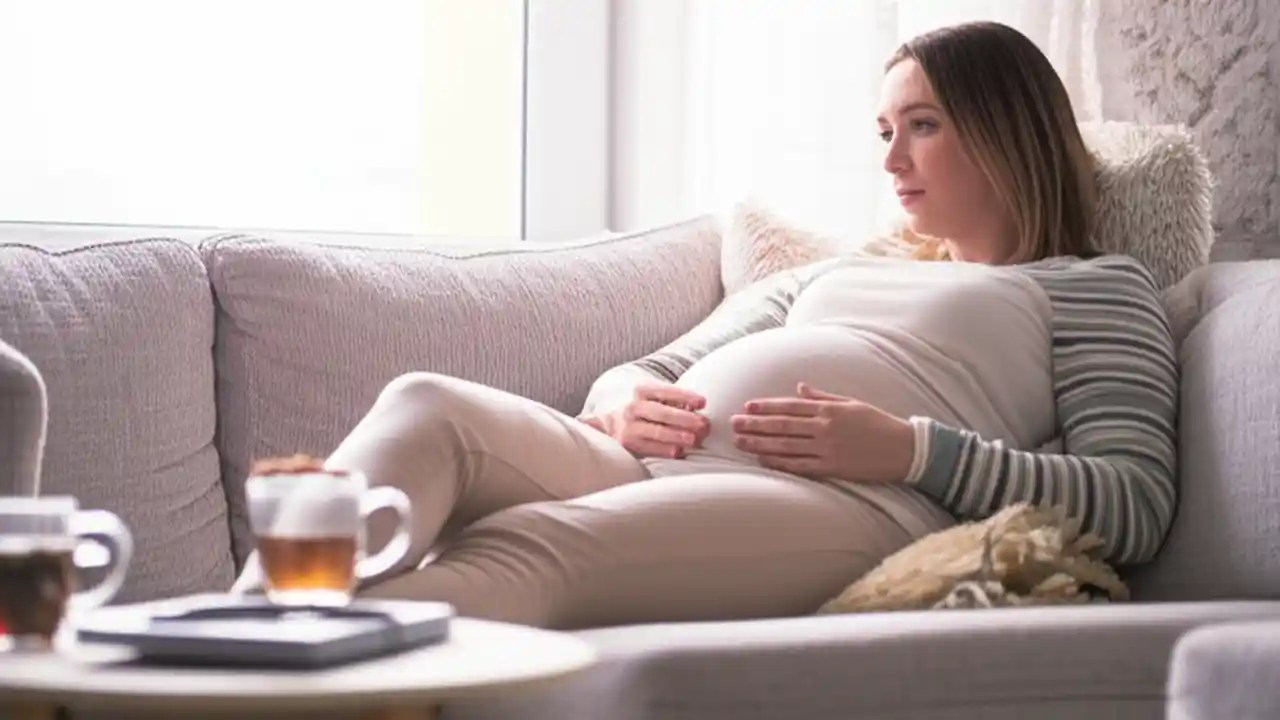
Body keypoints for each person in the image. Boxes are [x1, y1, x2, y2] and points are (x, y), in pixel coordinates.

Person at [233, 21, 1177, 629]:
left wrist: (909, 452)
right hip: (652, 464)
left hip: (851, 508)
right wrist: (624, 401)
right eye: (883, 132)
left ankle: (252, 680)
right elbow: (650, 364)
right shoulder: (844, 269)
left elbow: (1132, 502)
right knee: (428, 404)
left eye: (921, 125)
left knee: (528, 551)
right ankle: (217, 644)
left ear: (1008, 126)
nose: (892, 159)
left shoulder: (1094, 287)